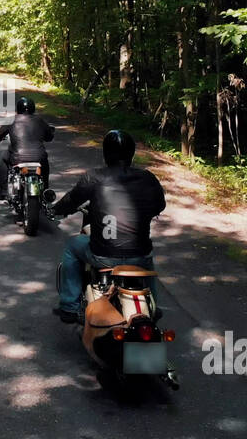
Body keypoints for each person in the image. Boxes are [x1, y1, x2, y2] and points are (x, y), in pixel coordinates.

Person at [49, 129, 166, 324]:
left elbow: (71, 200)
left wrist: (56, 210)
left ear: (106, 153)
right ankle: (153, 307)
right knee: (147, 257)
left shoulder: (94, 177)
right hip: (139, 255)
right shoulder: (147, 177)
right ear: (131, 153)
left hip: (102, 256)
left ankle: (69, 305)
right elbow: (159, 205)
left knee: (72, 246)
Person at [0, 96, 55, 200]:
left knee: (3, 160)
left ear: (18, 108)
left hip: (17, 157)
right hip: (39, 157)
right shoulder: (39, 120)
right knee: (45, 165)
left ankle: (3, 191)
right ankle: (46, 190)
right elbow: (49, 137)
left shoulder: (11, 120)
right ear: (33, 108)